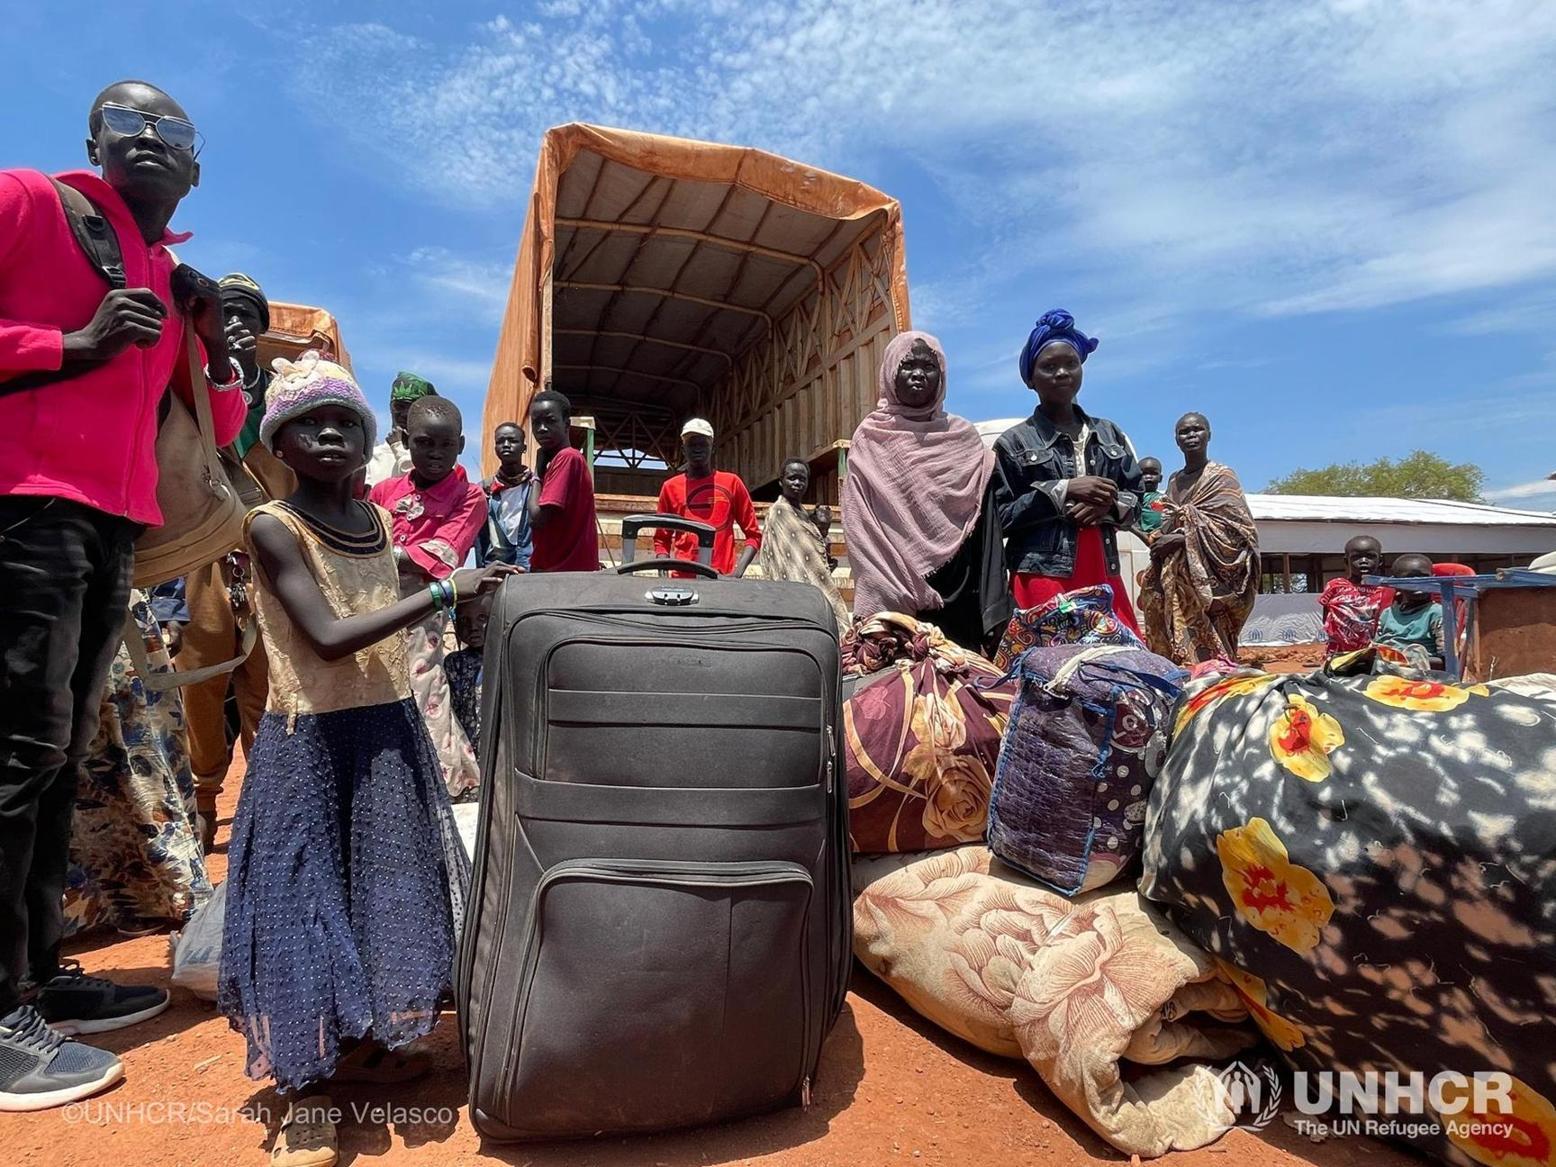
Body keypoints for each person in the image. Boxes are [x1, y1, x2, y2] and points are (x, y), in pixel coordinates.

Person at [0, 79, 247, 1110]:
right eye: (128, 122)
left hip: (112, 530)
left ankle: (35, 975)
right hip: (19, 509)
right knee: (12, 756)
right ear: (94, 143)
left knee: (52, 759)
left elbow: (221, 435)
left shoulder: (167, 273)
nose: (150, 137)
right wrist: (71, 345)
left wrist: (221, 342)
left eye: (173, 129)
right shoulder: (23, 202)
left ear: (194, 168)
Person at [217, 351, 512, 1167]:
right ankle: (303, 1094)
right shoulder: (273, 526)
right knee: (302, 899)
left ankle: (368, 1040)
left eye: (348, 421)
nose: (333, 434)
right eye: (312, 422)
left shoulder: (378, 523)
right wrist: (451, 592)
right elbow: (329, 634)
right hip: (308, 735)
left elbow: (387, 588)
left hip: (384, 727)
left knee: (384, 884)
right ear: (278, 437)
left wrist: (465, 579)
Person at [177, 273, 289, 852]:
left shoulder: (286, 395)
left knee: (266, 684)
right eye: (227, 314)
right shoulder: (191, 383)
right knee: (203, 669)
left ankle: (264, 808)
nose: (238, 324)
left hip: (270, 553)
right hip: (207, 551)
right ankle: (202, 797)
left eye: (247, 314)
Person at [847, 331, 1011, 652]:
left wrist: (993, 607)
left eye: (929, 366)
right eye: (908, 365)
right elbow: (859, 524)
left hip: (962, 597)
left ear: (943, 376)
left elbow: (986, 524)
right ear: (890, 372)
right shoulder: (870, 438)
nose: (919, 373)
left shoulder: (964, 439)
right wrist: (884, 584)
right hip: (893, 595)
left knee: (959, 695)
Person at [64, 591, 211, 938]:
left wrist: (166, 606)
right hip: (34, 610)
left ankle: (160, 891)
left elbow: (156, 538)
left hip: (110, 611)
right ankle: (77, 907)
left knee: (138, 754)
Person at [992, 310, 1141, 633]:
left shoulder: (1110, 434)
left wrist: (1110, 506)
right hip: (1042, 577)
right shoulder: (1013, 443)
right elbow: (999, 517)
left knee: (1118, 668)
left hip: (1104, 570)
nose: (1062, 373)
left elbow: (1138, 500)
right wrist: (1063, 491)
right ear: (1030, 378)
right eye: (1048, 367)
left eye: (1070, 364)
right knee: (1050, 670)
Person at [368, 397, 486, 799]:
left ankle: (451, 780)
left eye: (445, 444)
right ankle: (399, 778)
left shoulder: (469, 497)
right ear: (405, 440)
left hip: (423, 605)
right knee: (383, 687)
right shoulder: (384, 491)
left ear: (461, 444)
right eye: (424, 443)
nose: (435, 453)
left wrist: (388, 554)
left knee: (425, 686)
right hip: (377, 604)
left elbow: (443, 553)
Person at [1139, 412, 1260, 664]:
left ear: (1209, 435)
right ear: (1176, 440)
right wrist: (1163, 541)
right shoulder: (1174, 480)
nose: (1191, 435)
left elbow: (1238, 528)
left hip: (1211, 575)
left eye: (1197, 429)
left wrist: (1184, 537)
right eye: (1184, 432)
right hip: (1175, 573)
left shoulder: (1221, 476)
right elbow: (1168, 520)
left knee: (1213, 650)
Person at [655, 419, 762, 576]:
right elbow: (661, 539)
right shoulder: (670, 487)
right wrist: (662, 566)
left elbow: (753, 535)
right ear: (684, 450)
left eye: (703, 444)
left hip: (721, 580)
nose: (697, 449)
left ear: (712, 449)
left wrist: (737, 573)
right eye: (692, 444)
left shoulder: (732, 483)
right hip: (683, 581)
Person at [755, 458, 851, 633]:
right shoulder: (779, 512)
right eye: (792, 478)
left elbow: (810, 555)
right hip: (795, 594)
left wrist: (821, 529)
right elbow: (788, 560)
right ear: (781, 481)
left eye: (802, 479)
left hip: (815, 588)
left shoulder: (804, 514)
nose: (797, 483)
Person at [526, 390, 600, 573]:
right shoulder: (565, 460)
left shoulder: (567, 458)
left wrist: (537, 472)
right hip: (564, 572)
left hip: (561, 574)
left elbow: (537, 518)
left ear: (566, 424)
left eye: (550, 421)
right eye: (536, 423)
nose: (541, 428)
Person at [1318, 535, 1392, 656]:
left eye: (1370, 556)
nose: (1363, 561)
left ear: (1381, 560)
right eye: (1356, 557)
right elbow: (1327, 616)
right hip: (1338, 652)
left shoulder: (1387, 589)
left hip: (1372, 652)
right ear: (1346, 561)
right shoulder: (1335, 586)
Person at [363, 371, 436, 489]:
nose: (405, 413)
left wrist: (399, 449)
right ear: (391, 407)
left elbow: (420, 491)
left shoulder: (438, 455)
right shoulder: (372, 457)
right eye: (399, 406)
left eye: (413, 407)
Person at [476, 422, 533, 568]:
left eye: (513, 441)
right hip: (496, 567)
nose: (506, 445)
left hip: (531, 568)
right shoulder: (484, 490)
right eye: (500, 441)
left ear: (524, 448)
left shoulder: (536, 486)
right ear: (495, 448)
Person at [1375, 553, 1445, 669]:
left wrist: (1407, 660)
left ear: (1433, 578)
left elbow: (1448, 662)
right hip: (1385, 672)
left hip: (1422, 677)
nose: (1417, 583)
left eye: (1423, 577)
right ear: (1395, 582)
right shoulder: (1388, 614)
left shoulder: (1437, 613)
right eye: (1409, 578)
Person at [445, 596, 490, 762]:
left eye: (482, 618)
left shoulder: (509, 659)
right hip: (466, 748)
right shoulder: (455, 662)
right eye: (464, 620)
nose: (473, 627)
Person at [1131, 456, 1167, 543]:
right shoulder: (1135, 498)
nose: (1148, 477)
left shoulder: (1164, 498)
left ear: (1160, 478)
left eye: (1153, 473)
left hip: (1161, 537)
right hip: (1140, 538)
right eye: (1144, 473)